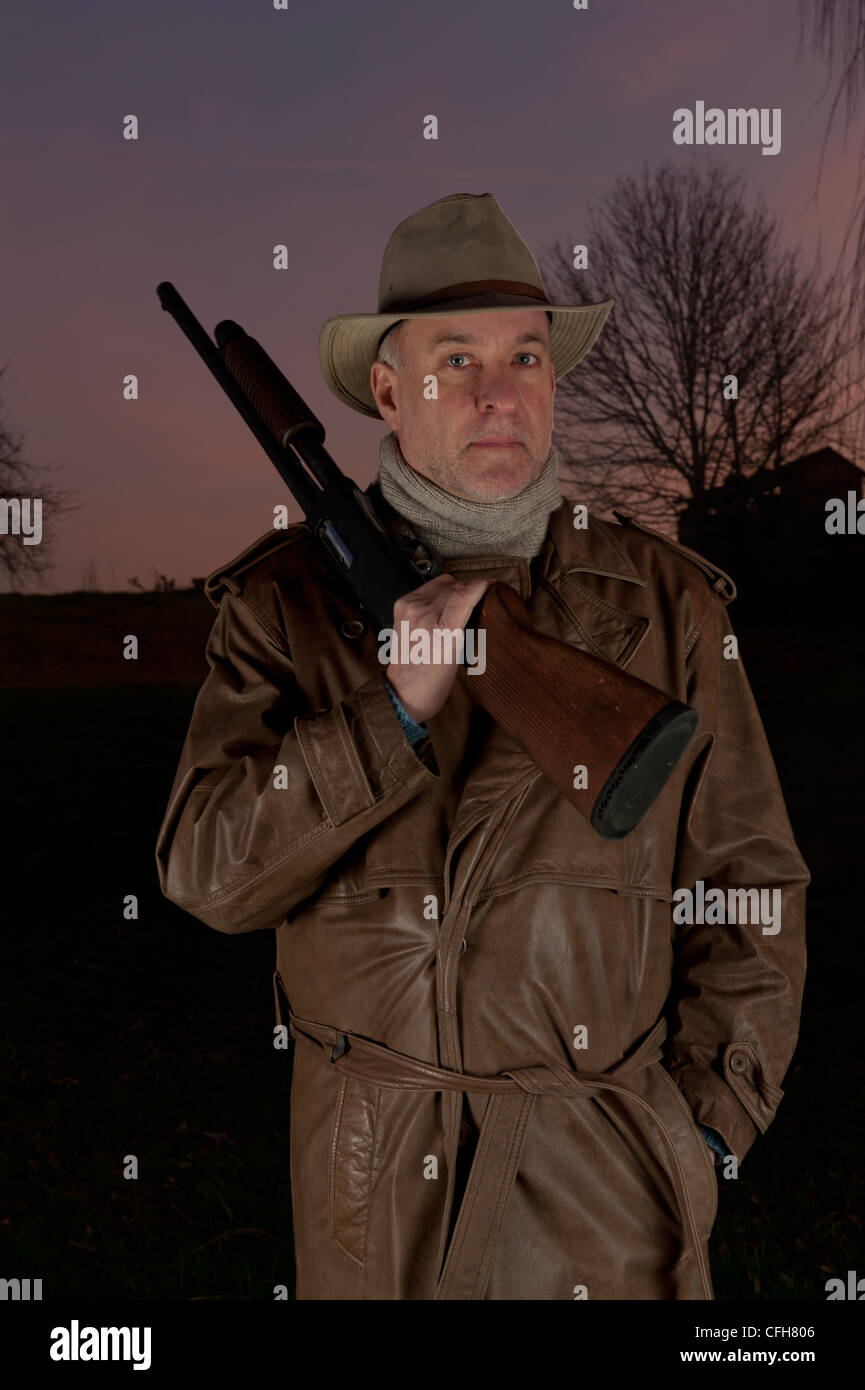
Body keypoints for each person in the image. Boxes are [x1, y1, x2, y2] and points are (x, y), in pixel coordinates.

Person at [156, 192, 808, 1300]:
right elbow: (205, 874)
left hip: (607, 1199)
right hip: (373, 1211)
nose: (497, 393)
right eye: (453, 360)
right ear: (385, 389)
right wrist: (389, 714)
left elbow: (751, 885)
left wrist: (703, 1129)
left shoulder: (671, 608)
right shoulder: (281, 608)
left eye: (523, 358)